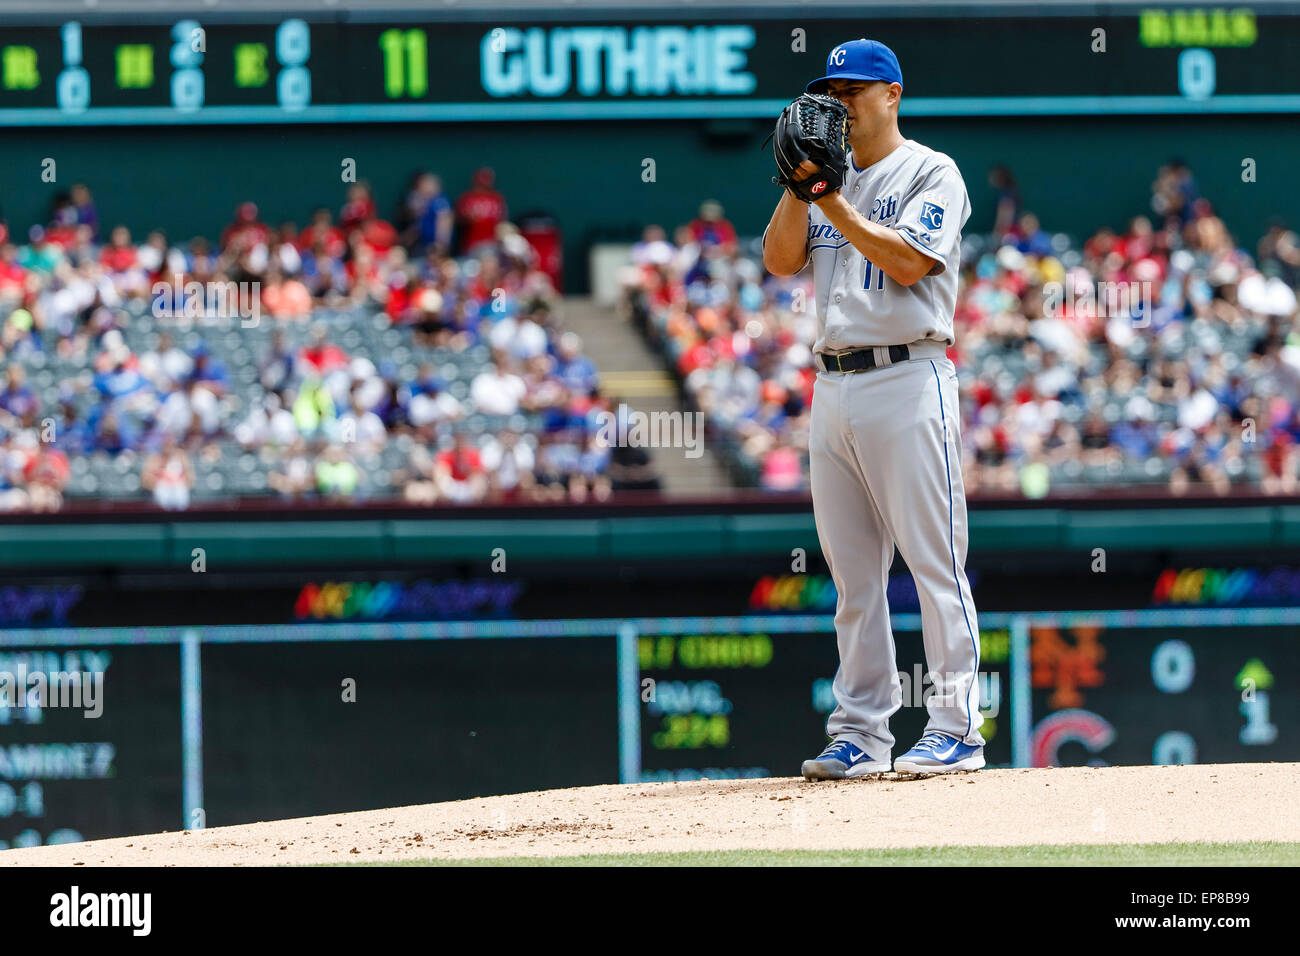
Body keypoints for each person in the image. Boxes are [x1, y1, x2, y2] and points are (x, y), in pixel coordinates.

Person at [762, 38, 984, 779]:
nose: (840, 104)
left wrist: (830, 197)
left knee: (934, 564)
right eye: (831, 92)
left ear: (891, 94)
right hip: (833, 385)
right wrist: (798, 185)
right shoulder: (826, 175)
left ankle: (956, 727)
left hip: (908, 376)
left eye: (853, 90)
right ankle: (861, 733)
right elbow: (779, 260)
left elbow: (909, 261)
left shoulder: (931, 171)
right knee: (854, 578)